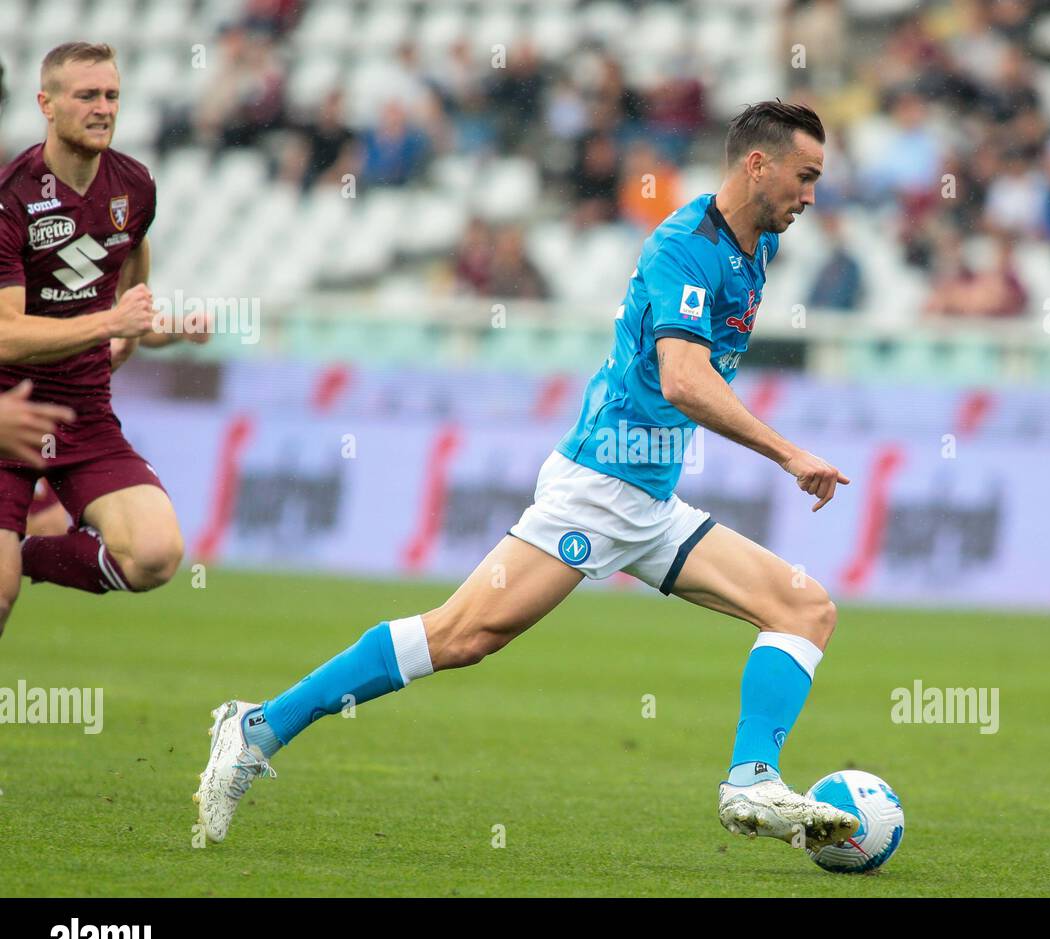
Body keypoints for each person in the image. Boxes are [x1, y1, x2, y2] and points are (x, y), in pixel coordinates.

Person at [196, 101, 860, 853]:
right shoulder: (686, 245)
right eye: (805, 177)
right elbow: (682, 379)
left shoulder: (755, 249)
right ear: (757, 165)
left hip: (649, 500)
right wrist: (788, 452)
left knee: (804, 610)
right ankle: (257, 728)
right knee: (461, 635)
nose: (812, 196)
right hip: (599, 487)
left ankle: (751, 782)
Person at [0, 42, 186, 635]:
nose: (103, 108)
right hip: (7, 415)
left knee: (156, 553)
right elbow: (4, 336)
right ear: (46, 104)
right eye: (86, 96)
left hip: (85, 414)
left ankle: (23, 551)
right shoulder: (11, 198)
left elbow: (132, 293)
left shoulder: (134, 186)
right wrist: (110, 325)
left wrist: (160, 328)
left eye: (111, 95)